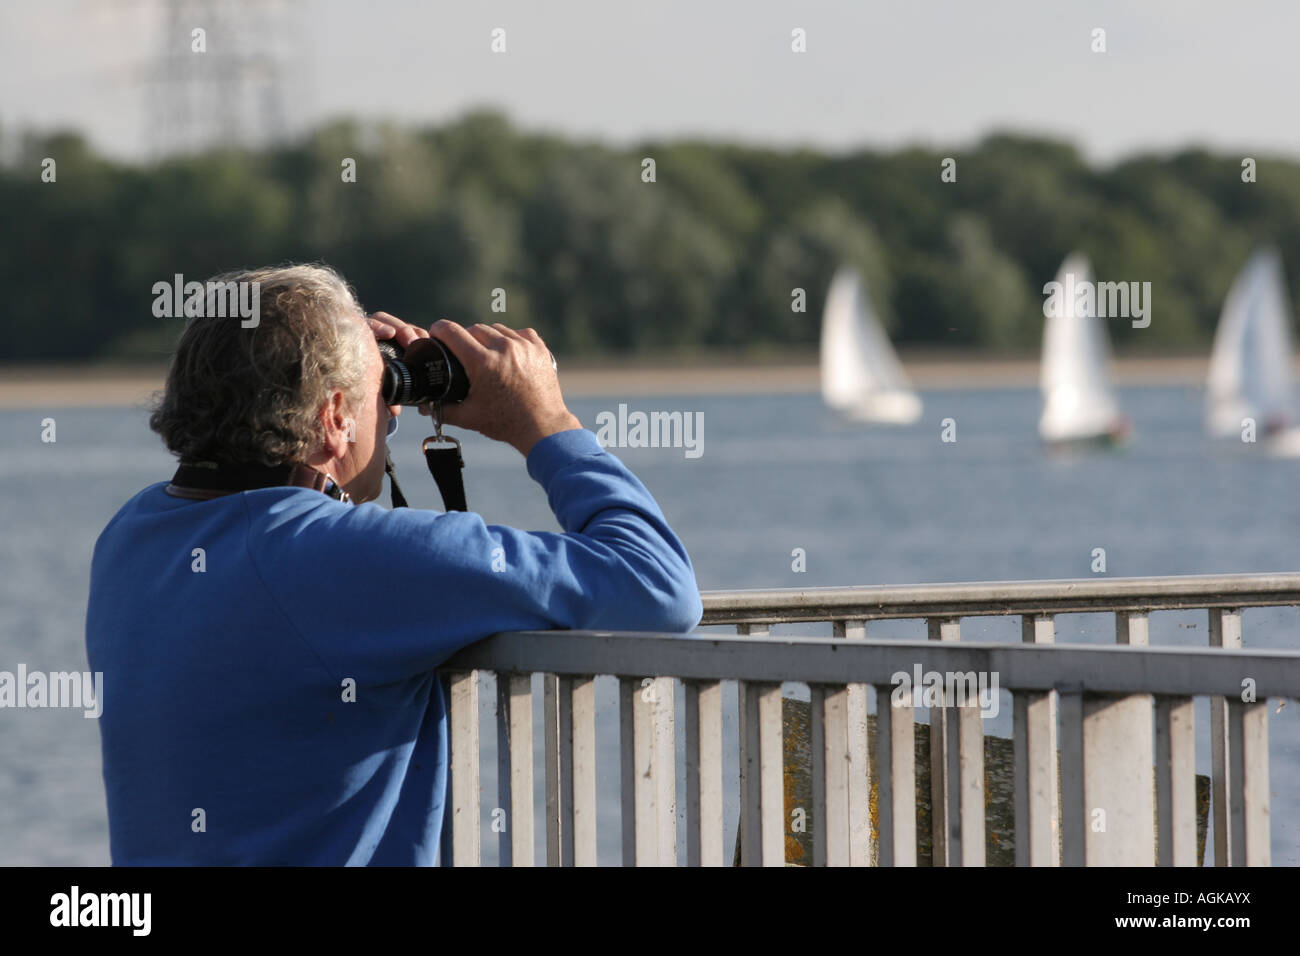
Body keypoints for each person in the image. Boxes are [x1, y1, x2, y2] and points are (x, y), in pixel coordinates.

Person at [85, 263, 702, 865]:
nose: (392, 413)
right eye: (384, 394)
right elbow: (658, 585)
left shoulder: (131, 537)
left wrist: (357, 381)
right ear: (331, 418)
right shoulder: (337, 559)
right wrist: (545, 424)